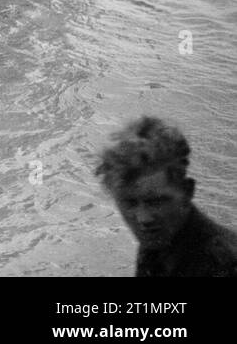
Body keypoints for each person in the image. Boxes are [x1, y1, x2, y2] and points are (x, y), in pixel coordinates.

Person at [95, 116, 237, 278]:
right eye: (130, 202)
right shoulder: (161, 237)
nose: (144, 218)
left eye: (156, 202)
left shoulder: (221, 264)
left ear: (187, 192)